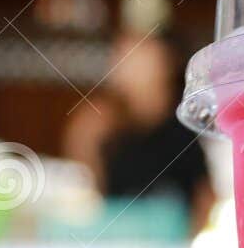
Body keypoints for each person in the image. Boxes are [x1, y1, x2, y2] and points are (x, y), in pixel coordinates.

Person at [64, 30, 213, 233]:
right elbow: (87, 199)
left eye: (134, 56)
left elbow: (205, 197)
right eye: (120, 56)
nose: (121, 65)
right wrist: (83, 139)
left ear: (164, 62)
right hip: (117, 244)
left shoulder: (184, 126)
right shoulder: (104, 128)